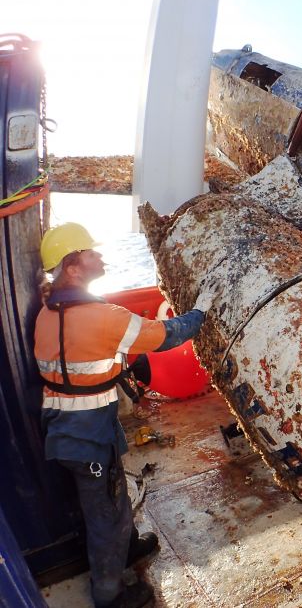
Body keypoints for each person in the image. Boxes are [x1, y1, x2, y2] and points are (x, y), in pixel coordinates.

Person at [34, 222, 212, 608]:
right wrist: (202, 312)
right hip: (86, 435)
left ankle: (128, 547)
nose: (100, 256)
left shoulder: (48, 314)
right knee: (105, 513)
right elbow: (167, 335)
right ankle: (109, 594)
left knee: (112, 499)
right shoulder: (102, 316)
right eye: (90, 252)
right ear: (73, 267)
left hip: (74, 426)